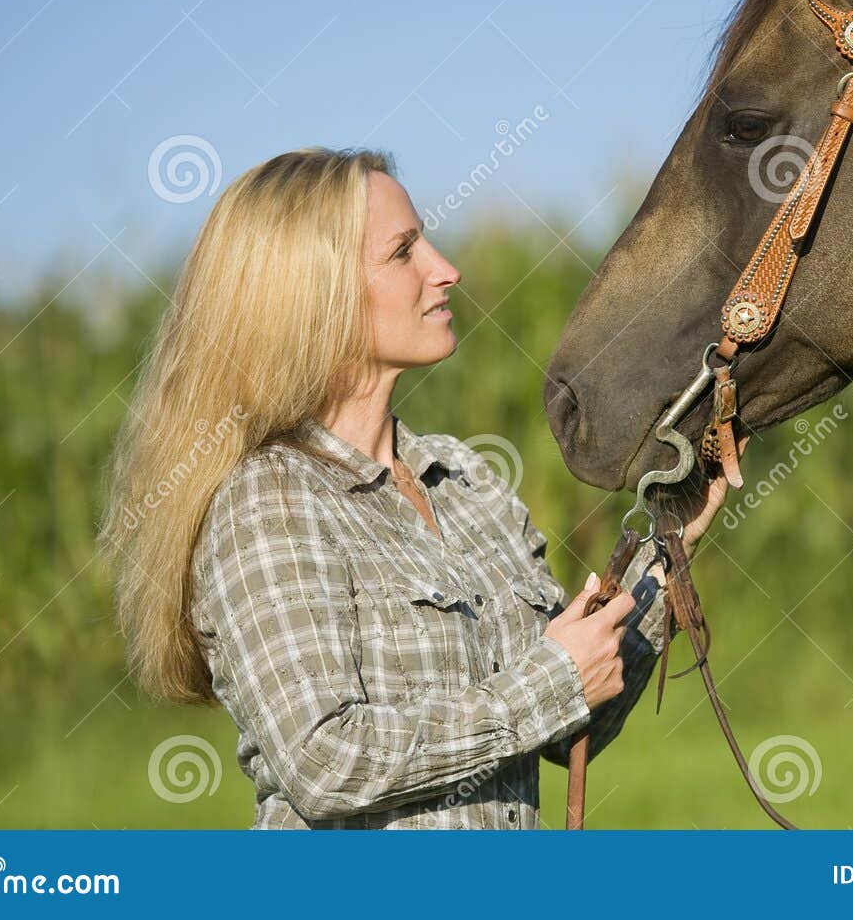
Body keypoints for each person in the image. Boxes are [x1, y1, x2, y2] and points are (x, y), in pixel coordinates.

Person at [101, 147, 734, 828]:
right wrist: (551, 683)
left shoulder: (466, 479)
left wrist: (670, 538)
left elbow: (567, 725)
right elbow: (324, 759)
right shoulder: (269, 501)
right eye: (404, 252)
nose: (445, 269)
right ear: (316, 293)